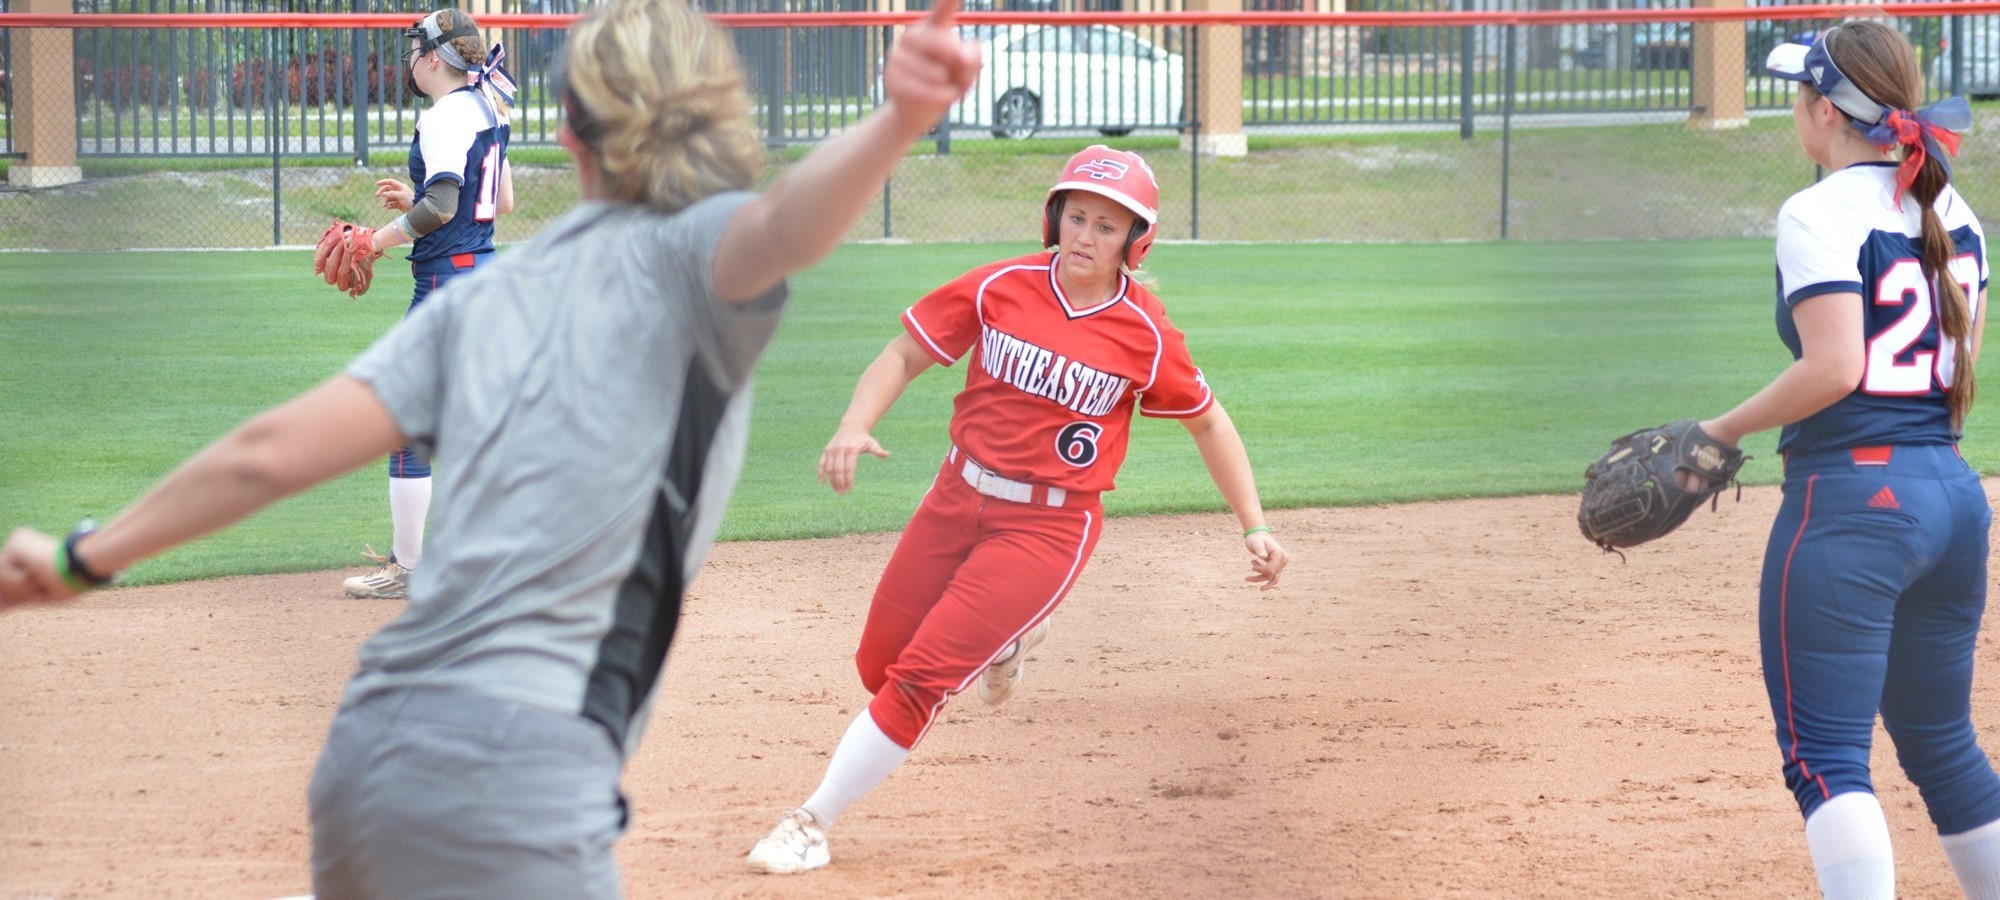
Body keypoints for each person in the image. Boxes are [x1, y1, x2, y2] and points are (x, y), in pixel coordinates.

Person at [0, 0, 981, 894]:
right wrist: (897, 120)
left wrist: (81, 557)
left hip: (368, 744)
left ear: (566, 133)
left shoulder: (483, 300)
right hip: (522, 768)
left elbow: (266, 453)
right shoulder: (694, 258)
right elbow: (787, 223)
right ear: (725, 125)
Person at [745, 145, 1291, 875]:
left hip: (1049, 528)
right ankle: (1005, 645)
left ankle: (809, 823)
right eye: (1077, 216)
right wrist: (853, 423)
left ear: (1135, 242)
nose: (1085, 235)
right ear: (1053, 217)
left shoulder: (1146, 331)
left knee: (921, 679)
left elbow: (1208, 421)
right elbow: (904, 354)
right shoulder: (1002, 285)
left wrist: (1254, 524)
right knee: (880, 664)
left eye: (1106, 225)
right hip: (955, 496)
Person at [1697, 22, 1997, 899]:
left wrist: (1721, 431)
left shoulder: (1817, 211)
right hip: (1953, 498)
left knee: (1827, 759)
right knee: (1944, 747)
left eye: (1798, 95)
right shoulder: (1955, 211)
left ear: (1824, 111)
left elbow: (1836, 368)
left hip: (1853, 505)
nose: (1795, 109)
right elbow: (1957, 375)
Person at [340, 7, 517, 601]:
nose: (412, 58)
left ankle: (410, 568)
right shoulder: (488, 106)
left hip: (447, 286)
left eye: (418, 49)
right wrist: (415, 197)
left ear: (436, 59)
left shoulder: (443, 115)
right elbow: (499, 201)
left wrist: (374, 240)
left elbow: (441, 208)